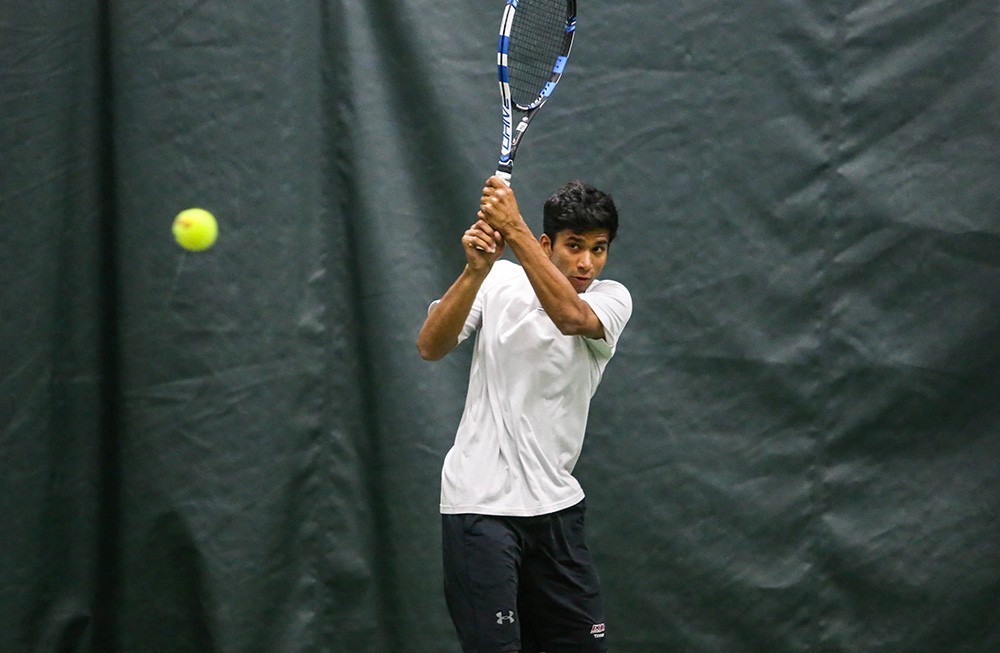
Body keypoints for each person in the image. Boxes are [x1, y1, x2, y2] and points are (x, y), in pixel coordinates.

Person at [417, 175, 632, 653]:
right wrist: (475, 271)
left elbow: (570, 318)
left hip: (557, 512)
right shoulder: (498, 281)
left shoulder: (610, 300)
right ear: (545, 243)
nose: (586, 262)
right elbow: (430, 345)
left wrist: (510, 228)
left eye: (598, 249)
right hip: (480, 506)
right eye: (574, 245)